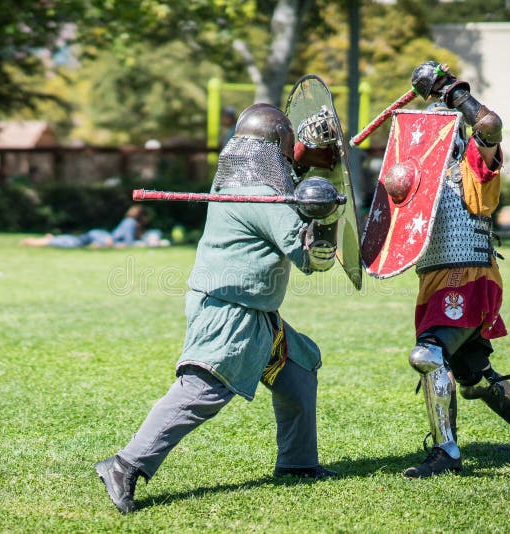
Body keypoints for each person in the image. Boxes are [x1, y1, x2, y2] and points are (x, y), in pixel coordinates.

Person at [94, 103, 341, 514]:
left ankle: (297, 464)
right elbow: (310, 258)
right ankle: (124, 465)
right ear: (275, 148)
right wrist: (325, 214)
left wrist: (315, 171)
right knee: (203, 389)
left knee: (298, 368)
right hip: (231, 311)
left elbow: (294, 192)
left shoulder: (243, 184)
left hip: (256, 312)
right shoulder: (262, 196)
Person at [401, 62, 510, 479]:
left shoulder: (470, 165)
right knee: (471, 375)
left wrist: (451, 91)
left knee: (428, 354)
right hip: (433, 279)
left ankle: (446, 454)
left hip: (468, 276)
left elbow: (489, 123)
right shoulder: (414, 179)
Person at [19, 205, 161, 248]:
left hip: (100, 235)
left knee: (77, 241)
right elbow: (128, 243)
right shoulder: (131, 223)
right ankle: (44, 241)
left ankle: (52, 238)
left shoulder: (128, 221)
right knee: (75, 244)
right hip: (104, 237)